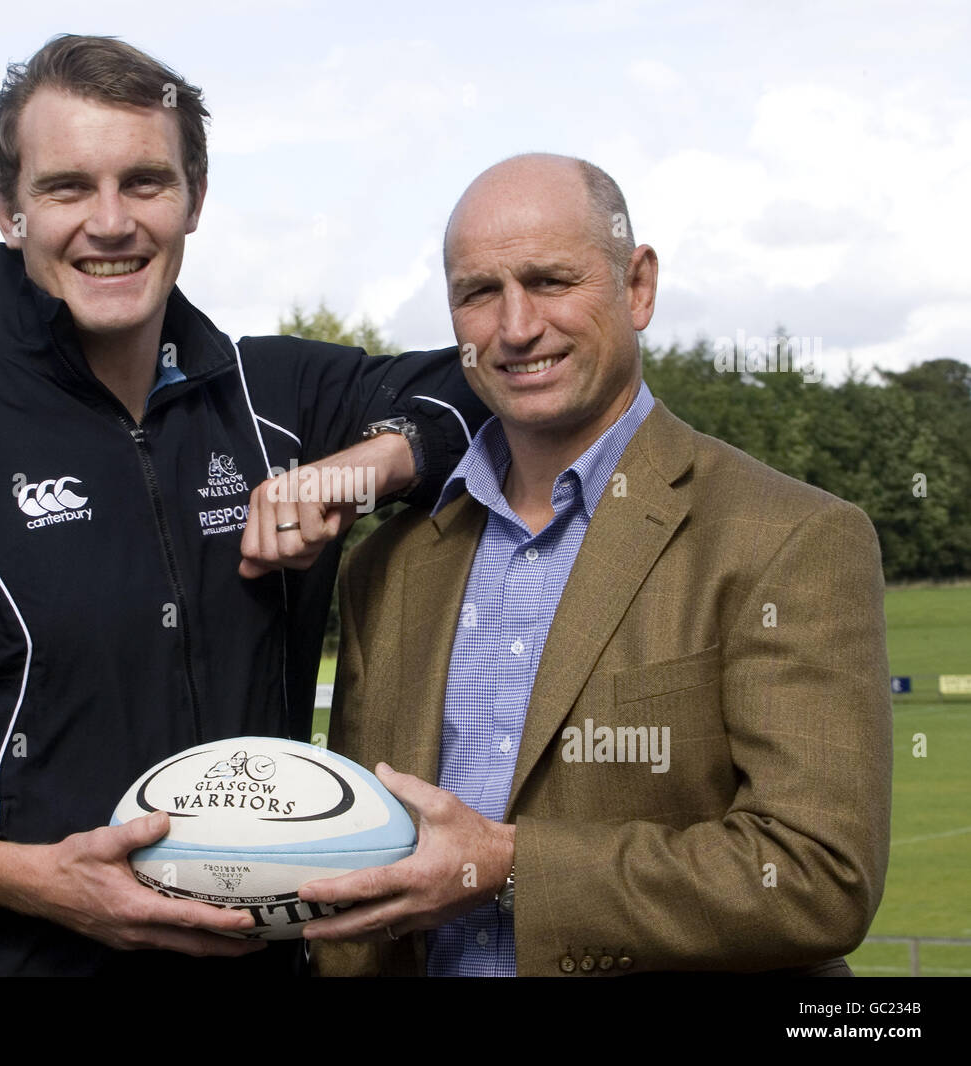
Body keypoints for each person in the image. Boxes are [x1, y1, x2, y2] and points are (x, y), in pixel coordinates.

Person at [0, 35, 486, 977]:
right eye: (68, 187)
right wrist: (11, 876)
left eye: (146, 182)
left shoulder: (269, 398)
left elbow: (492, 375)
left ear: (195, 196)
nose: (110, 223)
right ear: (8, 207)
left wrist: (358, 470)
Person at [301, 153, 892, 976]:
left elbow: (817, 876)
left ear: (638, 286)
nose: (515, 327)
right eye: (479, 293)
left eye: (550, 280)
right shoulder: (387, 569)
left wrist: (507, 867)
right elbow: (362, 877)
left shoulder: (790, 538)